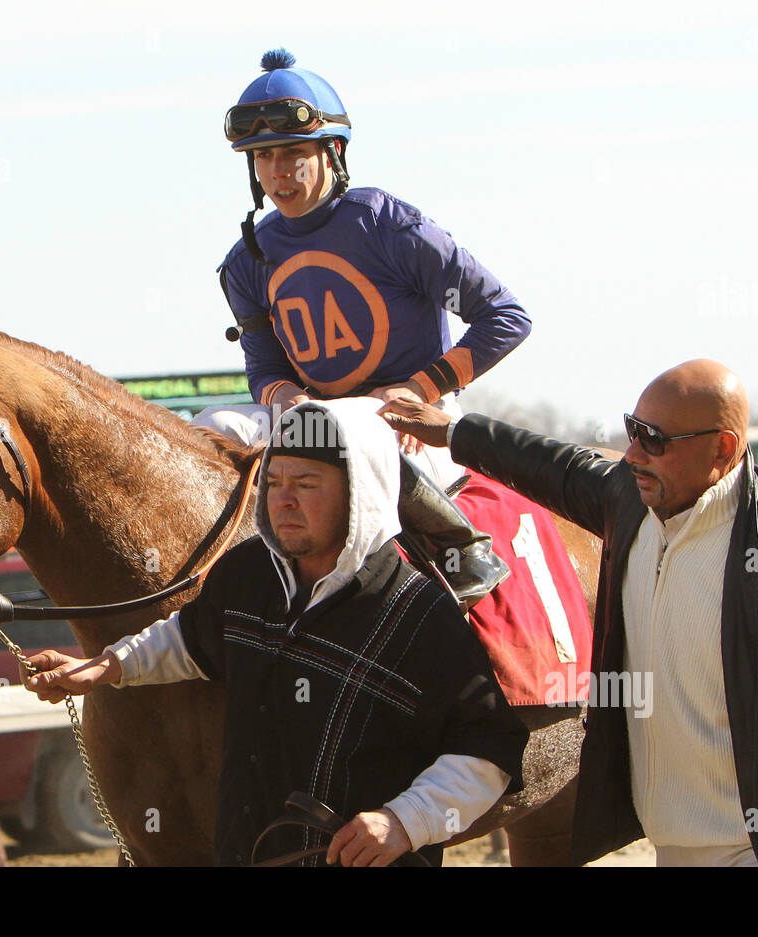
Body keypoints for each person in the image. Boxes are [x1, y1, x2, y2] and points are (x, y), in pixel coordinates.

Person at [379, 359, 758, 866]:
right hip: (676, 849)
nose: (633, 453)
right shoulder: (630, 500)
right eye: (632, 429)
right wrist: (450, 430)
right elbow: (550, 463)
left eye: (655, 440)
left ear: (722, 450)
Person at [23, 398, 528, 866]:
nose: (284, 500)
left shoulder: (417, 613)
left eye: (307, 483)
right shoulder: (247, 572)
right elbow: (192, 638)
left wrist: (403, 822)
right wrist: (105, 667)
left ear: (361, 493)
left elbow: (490, 750)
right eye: (276, 481)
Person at [195, 48, 533, 607]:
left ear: (333, 153)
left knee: (343, 421)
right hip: (311, 418)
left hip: (407, 425)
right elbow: (264, 366)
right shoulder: (245, 260)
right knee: (209, 424)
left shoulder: (390, 226)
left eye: (292, 155)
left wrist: (420, 390)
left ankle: (463, 549)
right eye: (263, 158)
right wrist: (288, 399)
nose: (277, 172)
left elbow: (505, 317)